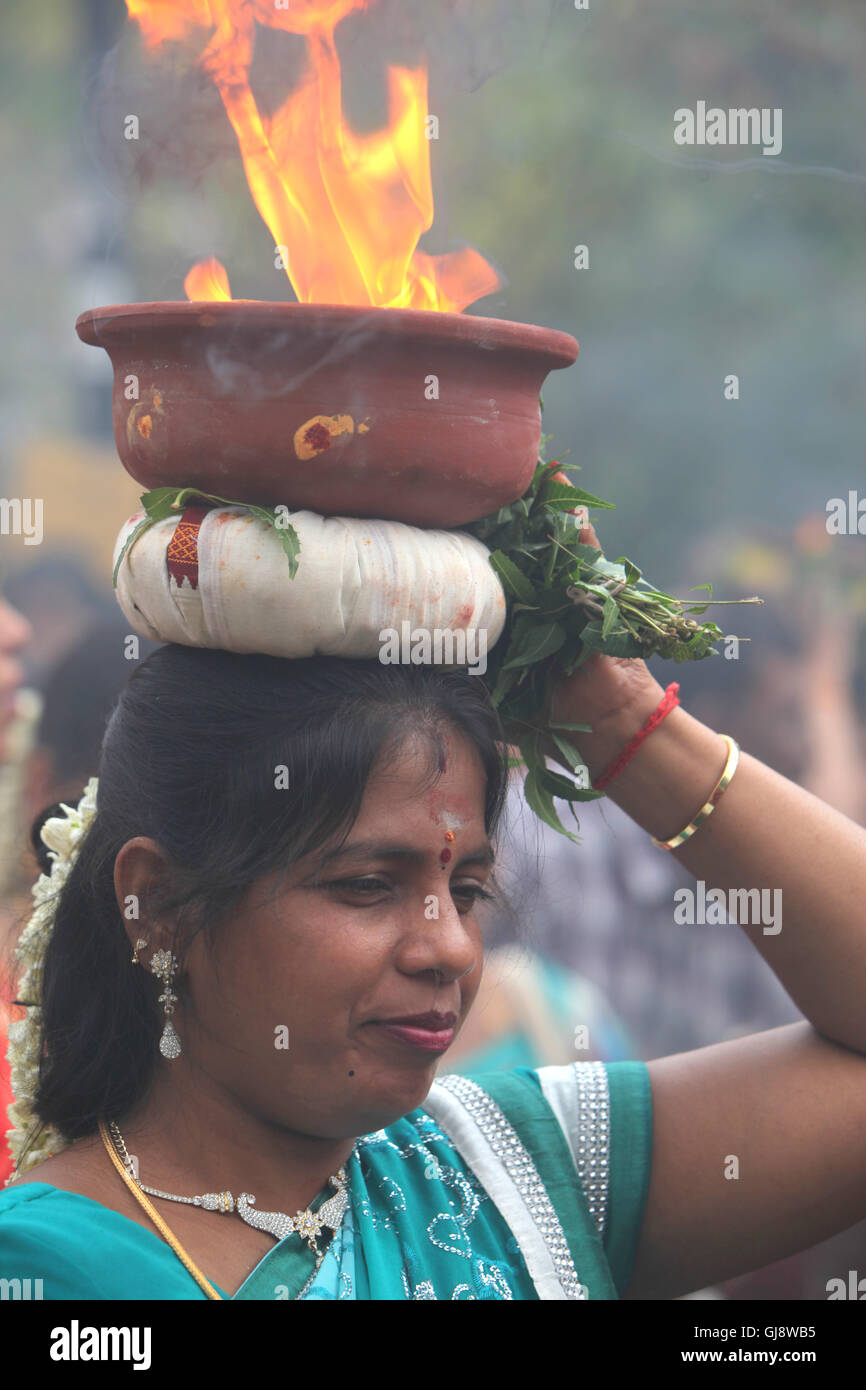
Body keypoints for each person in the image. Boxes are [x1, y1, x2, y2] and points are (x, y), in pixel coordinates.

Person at [2, 633, 866, 1302]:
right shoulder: (49, 1265)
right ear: (156, 907)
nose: (449, 946)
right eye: (367, 886)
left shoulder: (518, 1167)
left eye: (468, 889)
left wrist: (628, 726)